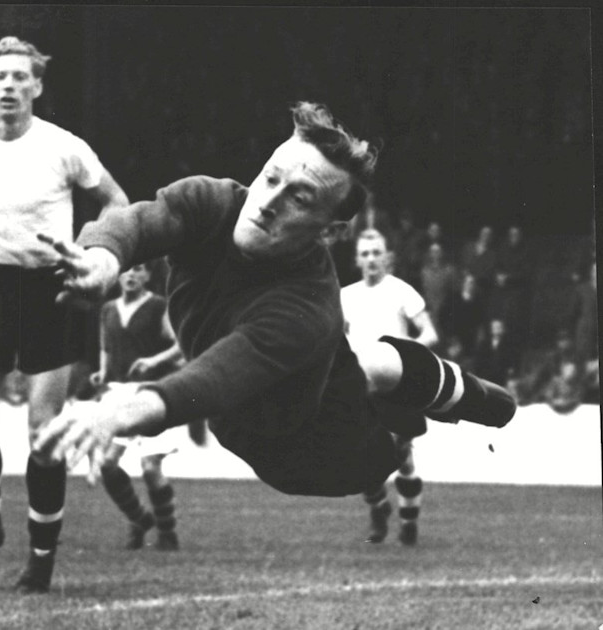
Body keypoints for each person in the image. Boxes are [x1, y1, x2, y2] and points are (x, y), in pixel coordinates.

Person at [33, 102, 515, 522]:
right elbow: (140, 222)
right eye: (270, 177)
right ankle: (446, 399)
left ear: (329, 232)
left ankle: (473, 400)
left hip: (323, 448)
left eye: (299, 198)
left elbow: (219, 376)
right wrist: (102, 259)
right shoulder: (212, 201)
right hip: (259, 439)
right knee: (367, 366)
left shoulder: (305, 306)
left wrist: (123, 411)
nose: (267, 202)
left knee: (378, 375)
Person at [0, 36, 130, 593]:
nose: (10, 86)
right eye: (1, 76)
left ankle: (41, 556)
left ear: (37, 87)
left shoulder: (65, 148)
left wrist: (94, 256)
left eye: (21, 77)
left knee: (43, 435)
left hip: (49, 290)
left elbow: (117, 202)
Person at [341, 229, 438, 546]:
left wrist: (405, 353)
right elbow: (336, 338)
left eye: (376, 252)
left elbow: (430, 333)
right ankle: (379, 508)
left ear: (387, 257)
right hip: (361, 386)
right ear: (357, 260)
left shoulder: (401, 291)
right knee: (361, 457)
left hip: (398, 386)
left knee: (402, 456)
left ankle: (408, 525)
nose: (371, 259)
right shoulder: (346, 296)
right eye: (365, 253)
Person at [88, 262, 185, 551]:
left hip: (153, 393)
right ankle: (139, 519)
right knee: (107, 464)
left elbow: (180, 344)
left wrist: (154, 361)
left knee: (150, 467)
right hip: (119, 393)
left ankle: (167, 533)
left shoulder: (158, 307)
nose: (131, 275)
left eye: (139, 269)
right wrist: (102, 371)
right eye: (127, 270)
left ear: (148, 276)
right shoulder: (108, 309)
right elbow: (105, 347)